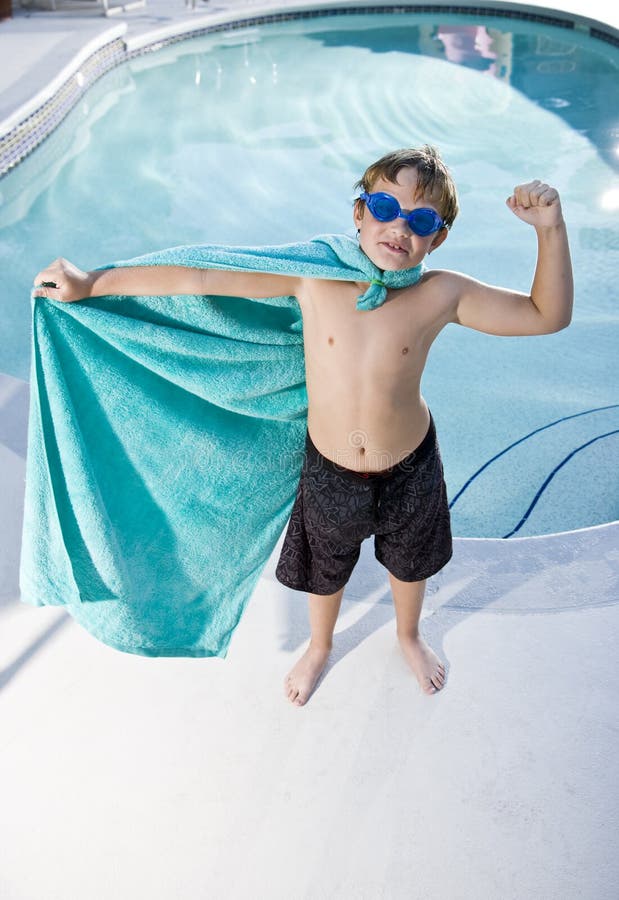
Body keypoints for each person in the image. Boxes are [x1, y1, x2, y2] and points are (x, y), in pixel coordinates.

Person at [32, 146, 573, 706]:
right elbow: (201, 276)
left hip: (410, 464)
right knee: (325, 567)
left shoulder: (442, 293)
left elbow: (544, 316)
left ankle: (409, 635)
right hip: (331, 467)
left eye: (421, 220)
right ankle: (320, 645)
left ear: (437, 239)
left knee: (411, 564)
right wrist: (93, 282)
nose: (399, 227)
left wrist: (550, 230)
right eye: (386, 206)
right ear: (359, 213)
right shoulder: (314, 281)